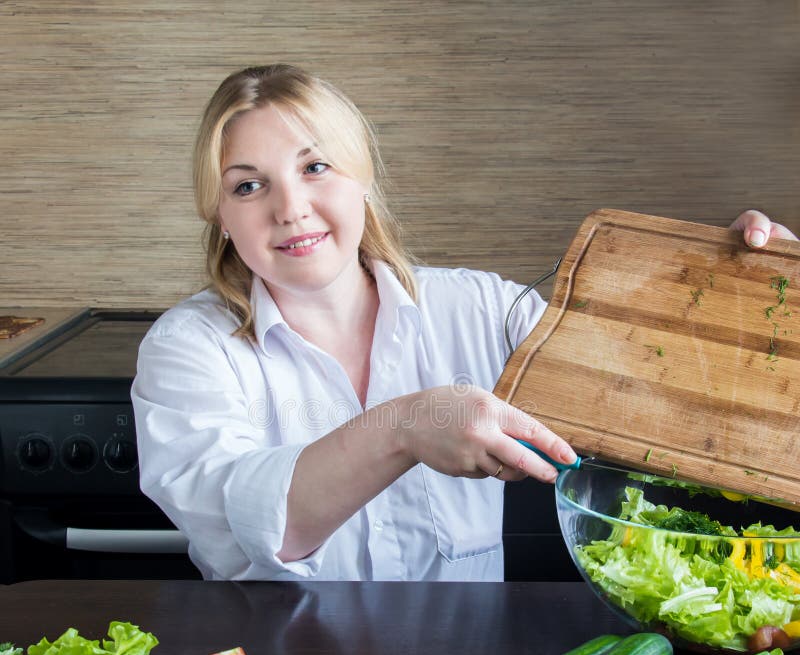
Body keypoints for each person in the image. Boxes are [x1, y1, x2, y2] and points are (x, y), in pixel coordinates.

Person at [131, 64, 798, 582]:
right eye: (249, 185)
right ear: (218, 213)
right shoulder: (188, 350)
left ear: (361, 176)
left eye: (316, 167)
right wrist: (406, 427)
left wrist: (743, 307)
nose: (290, 207)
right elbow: (252, 523)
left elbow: (657, 394)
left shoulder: (482, 310)